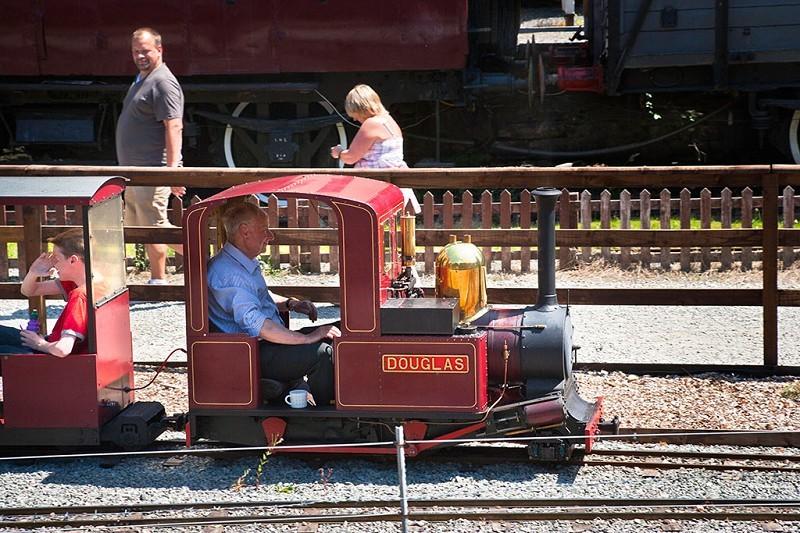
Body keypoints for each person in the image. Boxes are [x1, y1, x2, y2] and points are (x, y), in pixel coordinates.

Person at [207, 202, 341, 405]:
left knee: (341, 329)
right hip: (252, 355)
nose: (270, 236)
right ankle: (327, 417)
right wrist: (308, 338)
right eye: (264, 230)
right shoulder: (228, 273)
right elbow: (258, 325)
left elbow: (260, 297)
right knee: (322, 353)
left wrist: (290, 304)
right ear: (245, 232)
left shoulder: (240, 263)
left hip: (266, 345)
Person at [116, 27, 186, 285]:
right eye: (136, 51)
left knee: (156, 225)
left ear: (159, 49)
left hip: (152, 169)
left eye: (145, 51)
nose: (140, 56)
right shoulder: (142, 79)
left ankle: (207, 260)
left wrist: (171, 171)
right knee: (141, 223)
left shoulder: (163, 82)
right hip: (136, 171)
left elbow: (174, 125)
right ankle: (158, 277)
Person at [0, 229, 88, 357]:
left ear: (73, 260)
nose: (53, 265)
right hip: (50, 346)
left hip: (53, 359)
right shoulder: (87, 283)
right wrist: (34, 272)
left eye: (57, 258)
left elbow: (63, 349)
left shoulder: (79, 295)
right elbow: (29, 291)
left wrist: (39, 343)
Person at [330, 84, 408, 169]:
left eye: (355, 115)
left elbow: (351, 157)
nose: (355, 119)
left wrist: (339, 153)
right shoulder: (390, 121)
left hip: (375, 177)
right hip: (390, 174)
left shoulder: (372, 123)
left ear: (360, 109)